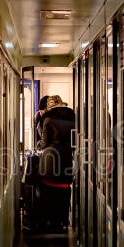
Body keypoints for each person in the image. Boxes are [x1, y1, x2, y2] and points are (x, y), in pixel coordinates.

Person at [36, 95, 76, 231]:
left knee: (49, 190)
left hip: (51, 162)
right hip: (66, 160)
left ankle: (51, 222)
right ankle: (63, 220)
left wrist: (38, 141)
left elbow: (44, 143)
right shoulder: (72, 118)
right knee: (64, 189)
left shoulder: (48, 119)